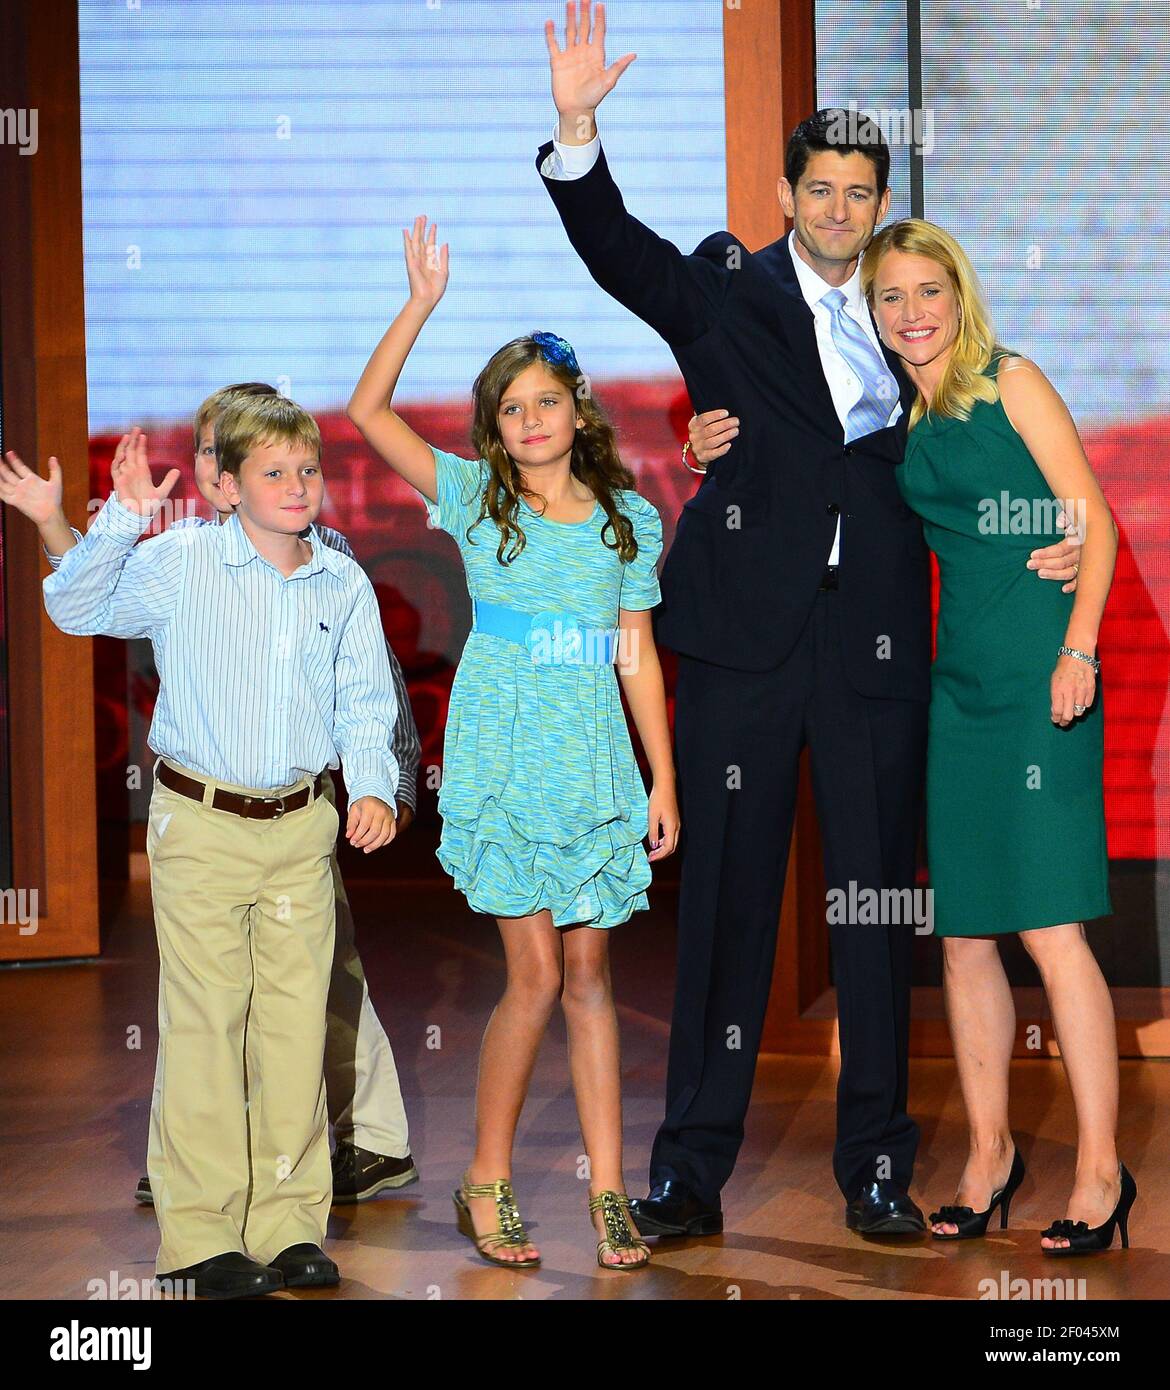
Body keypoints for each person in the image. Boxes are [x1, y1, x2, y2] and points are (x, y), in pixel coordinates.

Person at [538, 0, 1079, 1239]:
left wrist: (1042, 526)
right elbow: (621, 251)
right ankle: (689, 1170)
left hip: (877, 648)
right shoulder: (727, 288)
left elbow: (987, 439)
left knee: (875, 906)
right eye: (820, 187)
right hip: (740, 642)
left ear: (879, 200)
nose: (839, 207)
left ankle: (878, 1165)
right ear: (786, 194)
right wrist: (577, 129)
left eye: (860, 188)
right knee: (728, 901)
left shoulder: (916, 321)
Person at [693, 220, 1134, 1255]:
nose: (913, 311)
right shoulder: (893, 412)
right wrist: (705, 441)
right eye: (891, 297)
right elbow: (796, 466)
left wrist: (1080, 650)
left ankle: (1102, 1174)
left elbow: (1095, 519)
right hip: (956, 691)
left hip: (1042, 680)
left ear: (959, 292)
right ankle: (988, 1158)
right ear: (872, 313)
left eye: (929, 289)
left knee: (1053, 931)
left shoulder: (1009, 380)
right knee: (966, 934)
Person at [346, 213, 678, 1269]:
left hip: (591, 764)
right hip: (505, 760)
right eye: (510, 405)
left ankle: (611, 1193)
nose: (529, 417)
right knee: (532, 974)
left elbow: (637, 657)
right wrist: (421, 305)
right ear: (493, 426)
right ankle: (486, 1180)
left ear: (579, 409)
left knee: (592, 979)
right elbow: (367, 411)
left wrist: (663, 780)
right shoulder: (477, 497)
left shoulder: (629, 519)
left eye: (546, 399)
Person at [2, 383, 422, 1206]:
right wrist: (94, 519)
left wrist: (378, 788)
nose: (295, 485)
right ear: (223, 482)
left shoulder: (330, 566)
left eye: (307, 469)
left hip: (301, 817)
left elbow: (367, 699)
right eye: (264, 469)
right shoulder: (187, 556)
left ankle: (308, 1197)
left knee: (305, 1010)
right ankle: (201, 1201)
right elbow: (89, 601)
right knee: (209, 1016)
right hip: (206, 818)